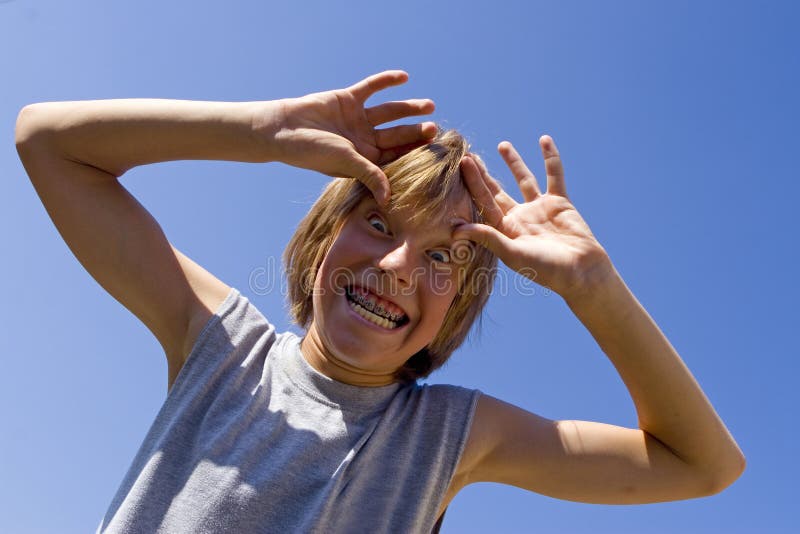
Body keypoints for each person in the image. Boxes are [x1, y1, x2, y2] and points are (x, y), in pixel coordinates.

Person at [15, 70, 745, 533]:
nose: (397, 265)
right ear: (323, 236)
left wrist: (595, 290)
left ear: (455, 308)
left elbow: (702, 466)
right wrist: (262, 131)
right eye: (377, 222)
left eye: (441, 256)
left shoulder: (453, 437)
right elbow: (47, 144)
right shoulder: (223, 346)